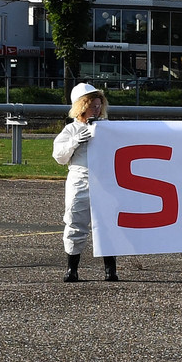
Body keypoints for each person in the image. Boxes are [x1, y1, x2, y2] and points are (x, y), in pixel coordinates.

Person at [52, 83, 116, 283]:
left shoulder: (106, 127)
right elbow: (59, 157)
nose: (96, 109)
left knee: (107, 224)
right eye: (92, 106)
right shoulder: (71, 129)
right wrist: (75, 141)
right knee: (75, 222)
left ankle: (110, 270)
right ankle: (72, 269)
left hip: (104, 181)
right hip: (79, 180)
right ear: (82, 106)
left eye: (99, 105)